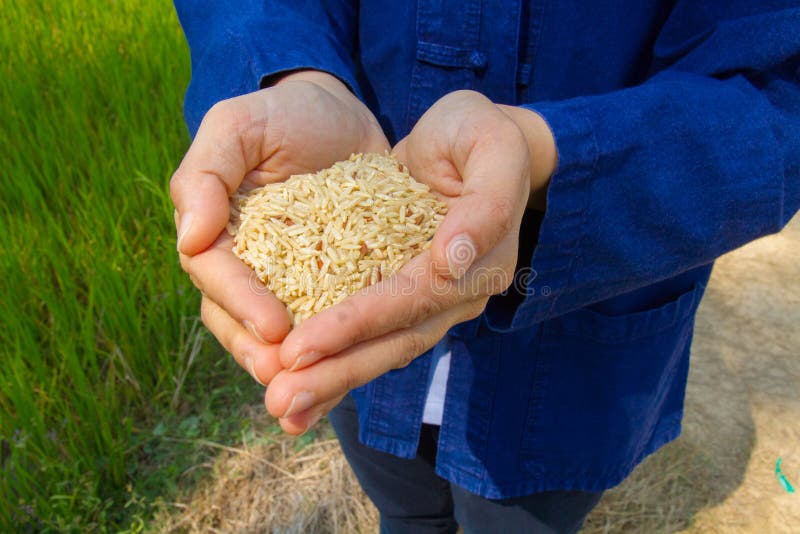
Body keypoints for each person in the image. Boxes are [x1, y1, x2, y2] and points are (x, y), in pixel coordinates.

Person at [170, 1, 800, 532]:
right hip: (371, 370)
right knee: (403, 511)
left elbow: (776, 97)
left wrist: (541, 151)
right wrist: (295, 77)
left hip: (571, 365)